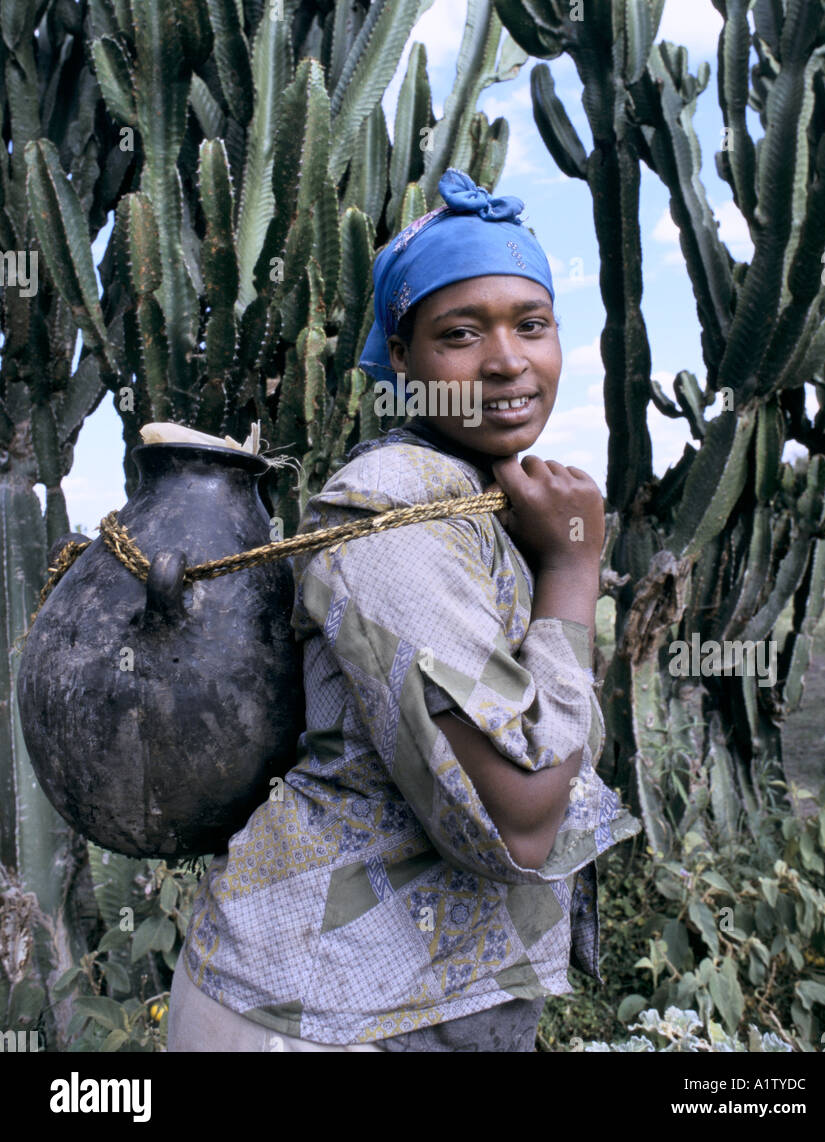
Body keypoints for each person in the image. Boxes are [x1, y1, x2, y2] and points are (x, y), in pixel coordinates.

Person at [168, 168, 641, 1052]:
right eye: (461, 333)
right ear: (404, 354)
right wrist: (573, 571)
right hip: (314, 1014)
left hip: (405, 1008)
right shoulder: (390, 513)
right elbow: (518, 823)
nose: (506, 360)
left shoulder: (472, 492)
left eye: (531, 325)